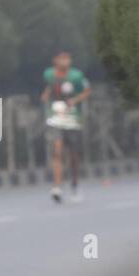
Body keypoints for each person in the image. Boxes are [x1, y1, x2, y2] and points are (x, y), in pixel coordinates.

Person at [41, 51, 91, 202]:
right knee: (57, 150)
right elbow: (50, 87)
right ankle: (57, 187)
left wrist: (75, 100)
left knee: (73, 155)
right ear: (55, 60)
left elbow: (87, 91)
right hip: (56, 117)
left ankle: (74, 184)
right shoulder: (49, 74)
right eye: (62, 58)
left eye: (68, 58)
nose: (66, 61)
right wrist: (46, 94)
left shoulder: (76, 76)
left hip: (73, 119)